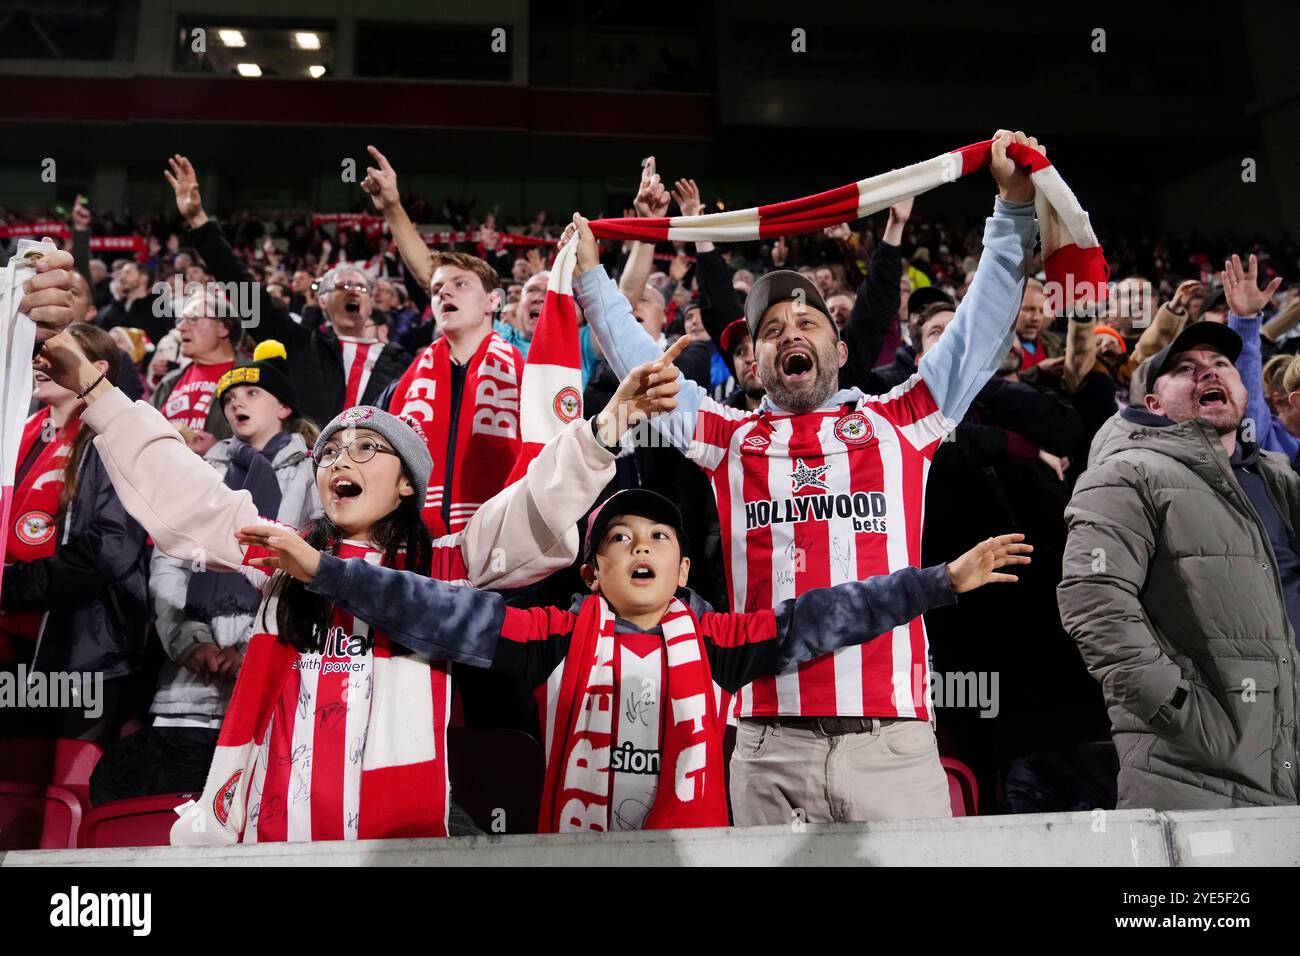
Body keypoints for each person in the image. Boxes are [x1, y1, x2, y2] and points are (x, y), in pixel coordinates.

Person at [32, 321, 673, 842]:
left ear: (405, 485)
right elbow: (185, 486)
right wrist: (96, 390)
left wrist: (608, 424)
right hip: (278, 825)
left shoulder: (445, 563)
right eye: (331, 453)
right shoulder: (282, 560)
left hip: (398, 832)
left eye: (367, 449)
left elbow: (535, 501)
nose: (341, 460)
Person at [565, 129, 1045, 824]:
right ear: (754, 364)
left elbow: (978, 326)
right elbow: (644, 370)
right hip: (766, 741)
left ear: (840, 348)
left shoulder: (901, 419)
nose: (791, 331)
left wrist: (1011, 210)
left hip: (894, 741)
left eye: (809, 321)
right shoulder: (728, 437)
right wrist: (589, 278)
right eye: (772, 329)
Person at [249, 489, 1029, 832]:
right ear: (591, 574)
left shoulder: (723, 641)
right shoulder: (548, 634)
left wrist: (942, 582)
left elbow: (827, 617)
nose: (642, 547)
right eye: (619, 539)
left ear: (686, 571)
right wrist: (325, 571)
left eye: (659, 539)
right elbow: (436, 610)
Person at [1058, 320, 1300, 809]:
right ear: (1153, 403)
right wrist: (1177, 710)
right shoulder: (1126, 474)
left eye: (1220, 365)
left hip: (1287, 750)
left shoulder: (1276, 477)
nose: (1206, 373)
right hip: (1191, 769)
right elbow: (1093, 601)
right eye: (1185, 369)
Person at [147, 341, 321, 735]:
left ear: (283, 408)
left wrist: (249, 648)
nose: (236, 403)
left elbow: (306, 574)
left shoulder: (313, 474)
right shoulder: (201, 471)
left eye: (251, 393)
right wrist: (189, 642)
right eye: (228, 398)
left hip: (270, 666)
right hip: (191, 679)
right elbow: (169, 560)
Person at [164, 155, 412, 428]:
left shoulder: (402, 361)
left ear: (371, 301)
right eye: (342, 286)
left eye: (361, 287)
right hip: (309, 464)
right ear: (322, 301)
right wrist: (199, 220)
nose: (353, 291)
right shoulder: (301, 345)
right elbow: (244, 291)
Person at [361, 147, 525, 537]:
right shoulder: (402, 386)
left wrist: (393, 209)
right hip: (415, 543)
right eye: (437, 290)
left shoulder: (526, 372)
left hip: (501, 545)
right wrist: (391, 208)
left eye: (461, 284)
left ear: (493, 302)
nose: (444, 293)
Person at [2, 324, 149, 743]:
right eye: (38, 354)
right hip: (13, 644)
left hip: (82, 648)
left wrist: (12, 585)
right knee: (18, 787)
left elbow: (110, 550)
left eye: (55, 356)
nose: (39, 363)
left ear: (96, 368)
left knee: (70, 785)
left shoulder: (113, 438)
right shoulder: (19, 431)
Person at [150, 289, 245, 451]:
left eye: (193, 319)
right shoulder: (169, 382)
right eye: (180, 320)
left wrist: (220, 452)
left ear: (223, 328)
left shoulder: (253, 379)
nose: (181, 327)